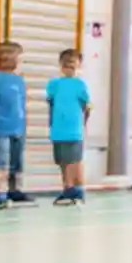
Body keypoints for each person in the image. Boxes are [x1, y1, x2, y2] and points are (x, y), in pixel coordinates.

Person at [0, 42, 33, 210]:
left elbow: (21, 105)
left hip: (18, 127)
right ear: (10, 60)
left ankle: (15, 190)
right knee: (0, 162)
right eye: (20, 59)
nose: (22, 63)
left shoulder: (19, 81)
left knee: (17, 161)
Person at [46, 49, 92, 206]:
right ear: (60, 65)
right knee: (62, 161)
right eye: (66, 64)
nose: (69, 68)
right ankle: (67, 188)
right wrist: (51, 124)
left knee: (75, 160)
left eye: (73, 65)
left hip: (74, 130)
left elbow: (87, 107)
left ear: (78, 66)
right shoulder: (54, 85)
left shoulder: (80, 85)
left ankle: (78, 190)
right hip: (58, 129)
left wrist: (83, 124)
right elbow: (51, 105)